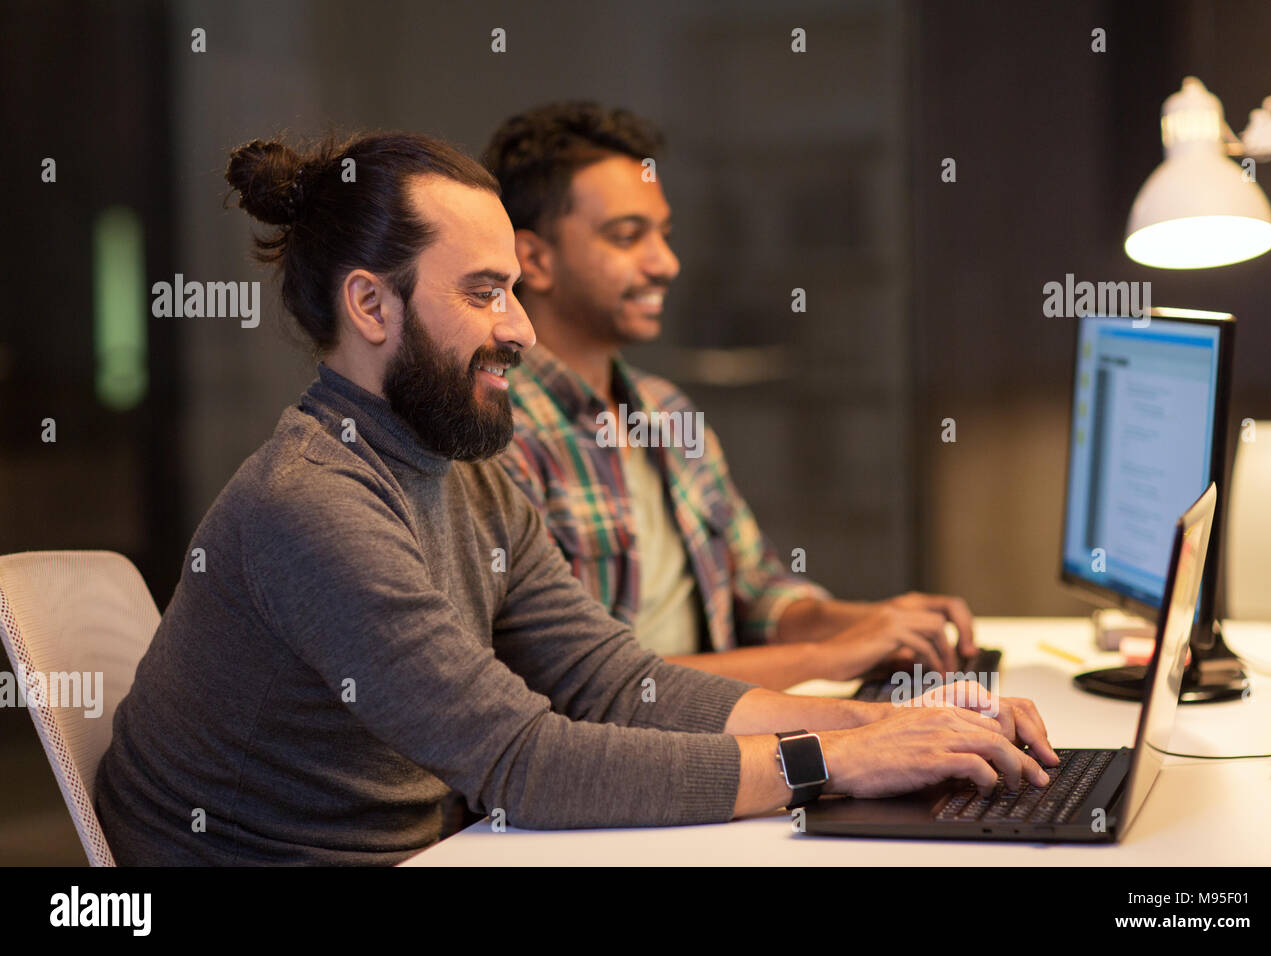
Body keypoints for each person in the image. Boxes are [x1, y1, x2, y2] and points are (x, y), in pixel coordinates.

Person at [94, 131, 1055, 866]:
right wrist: (835, 763)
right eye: (482, 293)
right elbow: (525, 763)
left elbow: (611, 681)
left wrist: (884, 726)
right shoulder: (311, 505)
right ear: (371, 306)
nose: (518, 328)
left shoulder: (463, 471)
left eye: (513, 290)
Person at [485, 102, 980, 690]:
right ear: (534, 259)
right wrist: (832, 658)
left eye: (664, 235)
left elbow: (756, 591)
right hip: (633, 761)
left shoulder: (665, 410)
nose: (665, 264)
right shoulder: (500, 432)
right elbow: (579, 685)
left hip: (731, 725)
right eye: (627, 237)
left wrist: (872, 622)